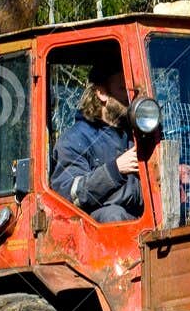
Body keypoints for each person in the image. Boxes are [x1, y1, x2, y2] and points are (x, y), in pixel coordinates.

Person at [51, 68, 144, 223]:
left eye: (131, 91)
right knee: (113, 215)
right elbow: (69, 195)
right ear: (102, 93)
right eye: (122, 89)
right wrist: (115, 169)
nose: (130, 97)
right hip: (98, 228)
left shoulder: (136, 134)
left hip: (141, 220)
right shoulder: (73, 140)